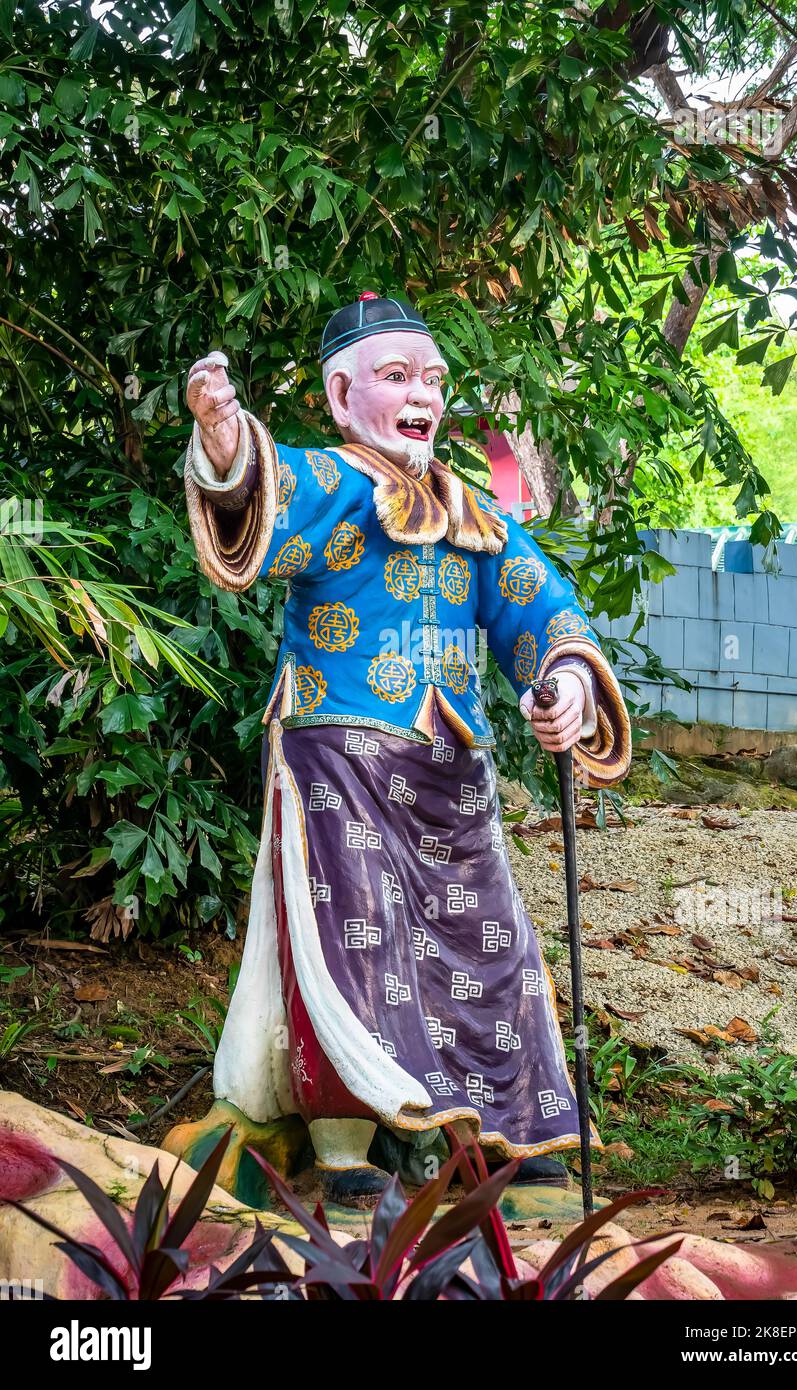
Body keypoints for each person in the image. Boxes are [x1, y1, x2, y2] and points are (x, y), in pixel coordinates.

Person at [173, 292, 631, 1205]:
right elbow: (261, 488)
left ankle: (498, 1129)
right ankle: (348, 1139)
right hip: (336, 749)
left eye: (433, 380)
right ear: (343, 396)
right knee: (352, 938)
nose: (422, 395)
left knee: (488, 943)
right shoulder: (336, 484)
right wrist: (224, 436)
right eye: (396, 377)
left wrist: (568, 687)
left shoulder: (478, 516)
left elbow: (543, 611)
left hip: (452, 762)